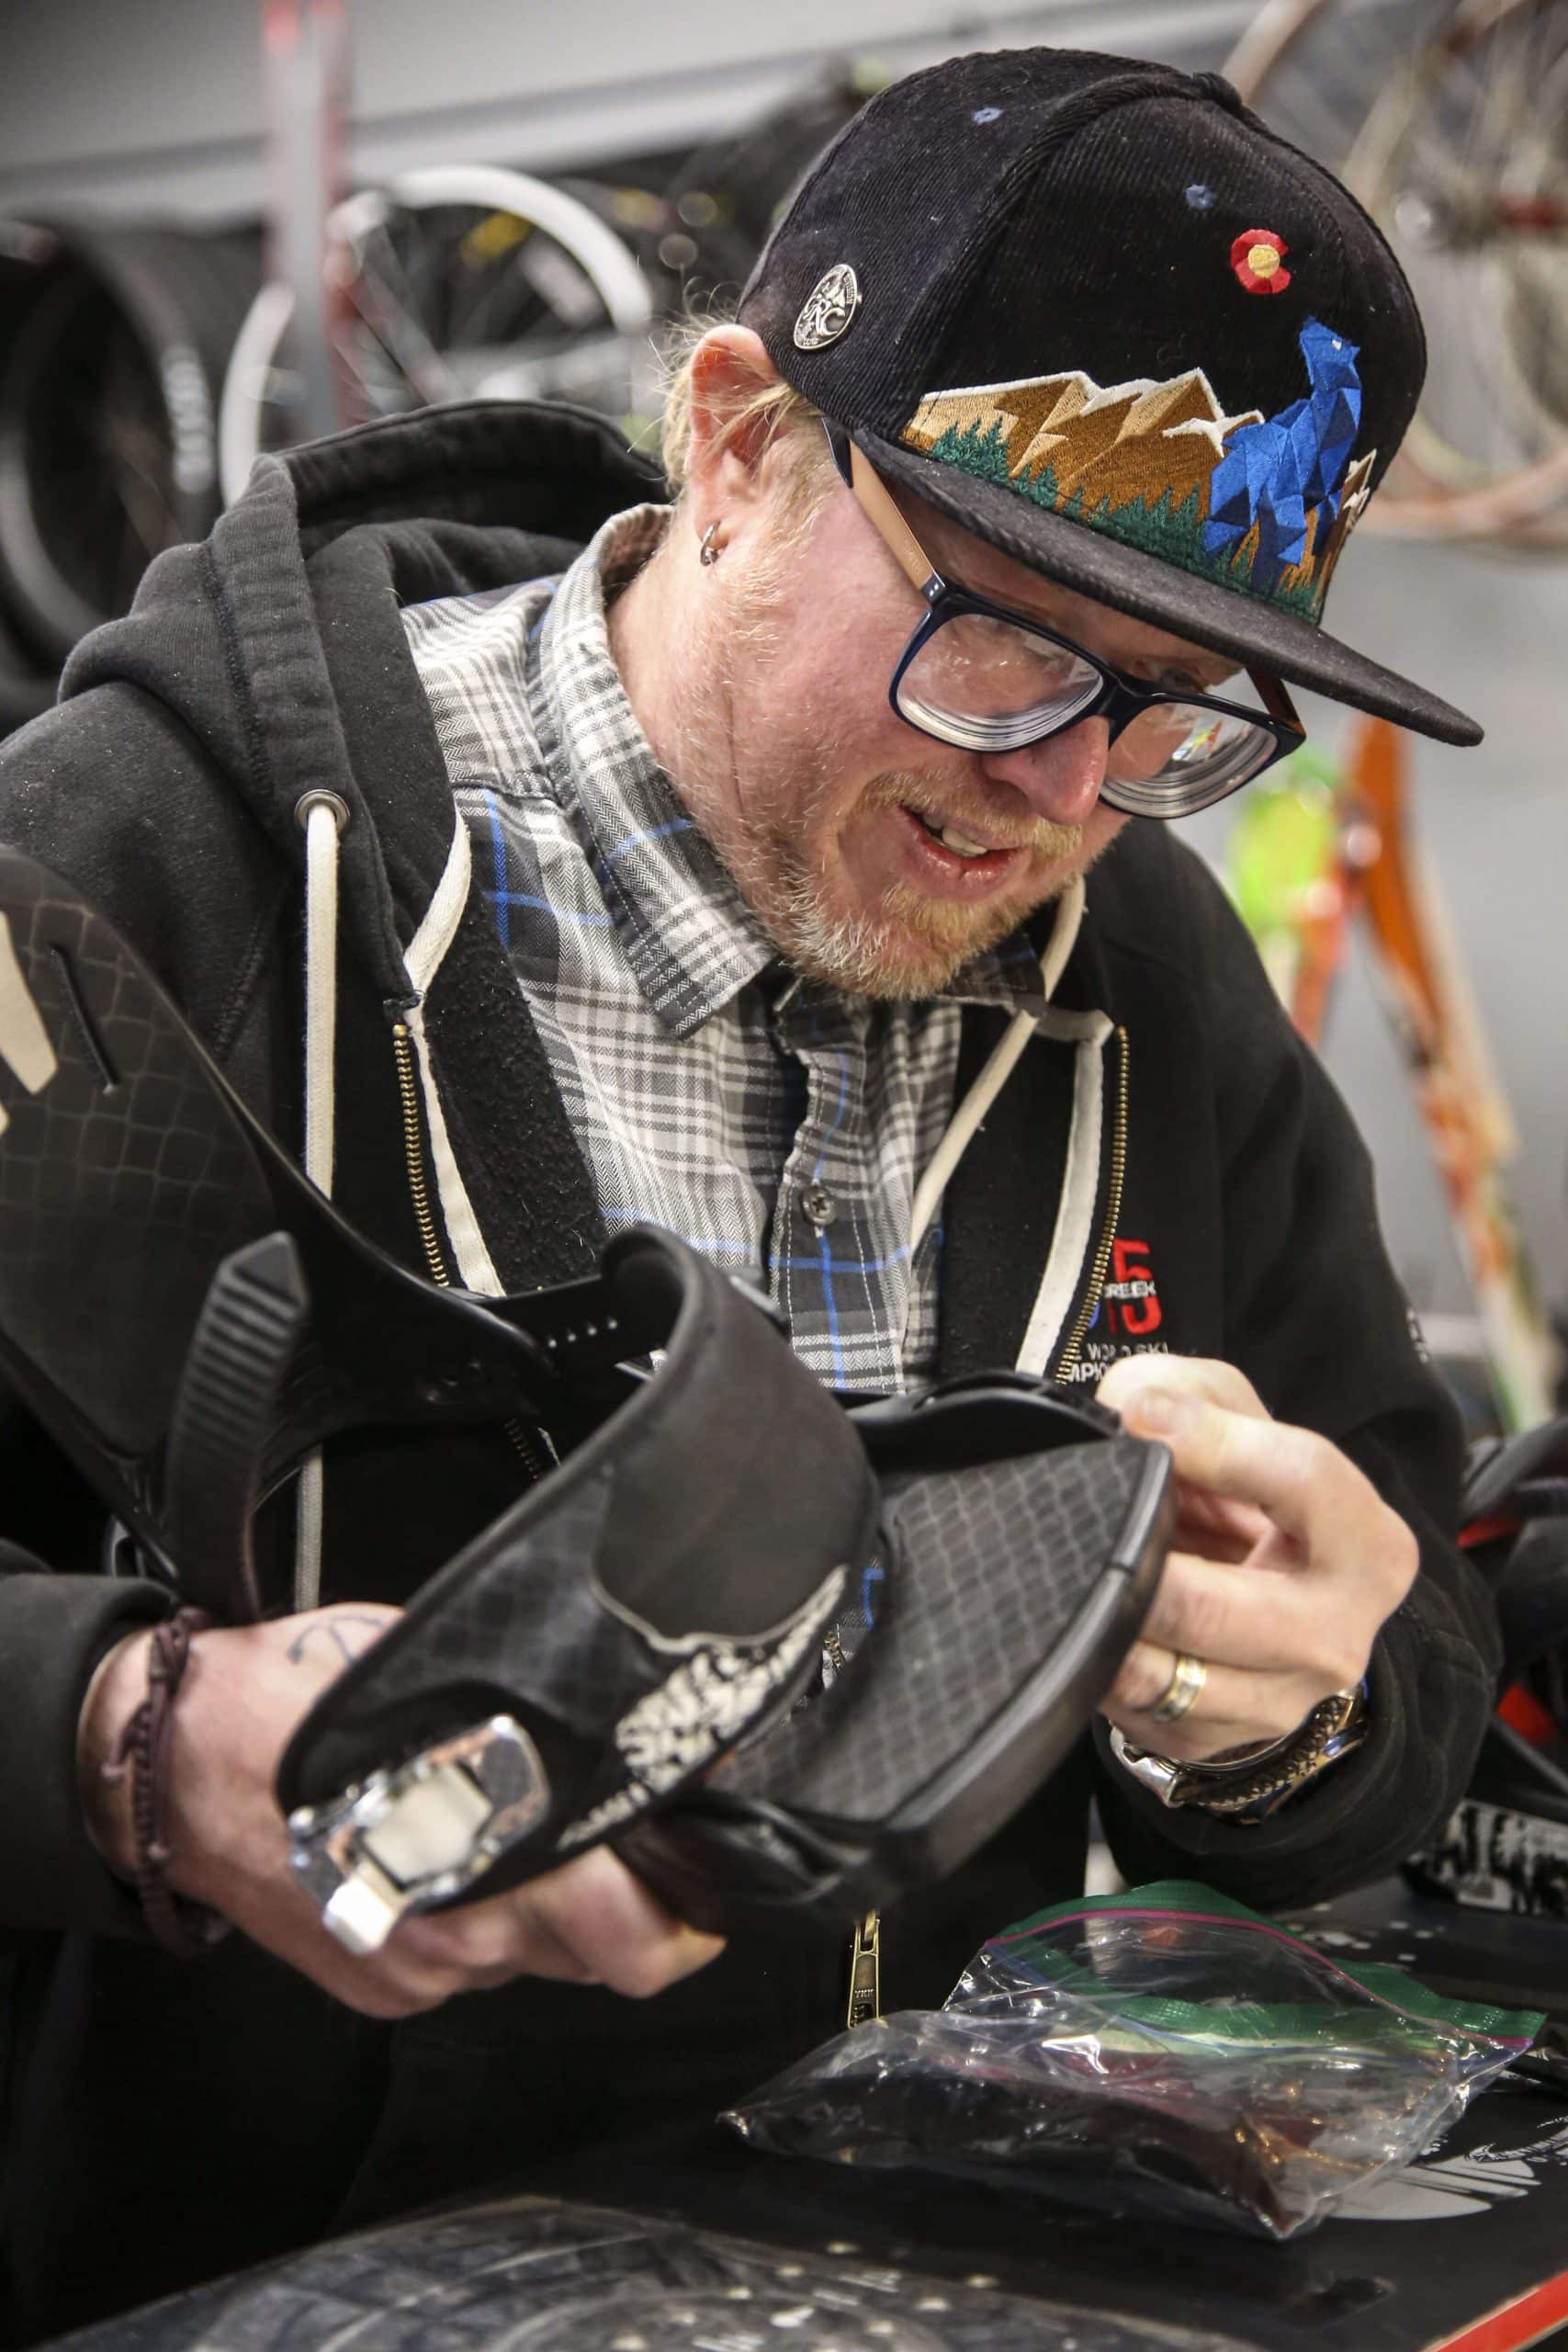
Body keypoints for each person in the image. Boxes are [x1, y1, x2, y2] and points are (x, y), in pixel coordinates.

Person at [0, 43, 1500, 2344]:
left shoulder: (1153, 980)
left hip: (928, 2275)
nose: (1063, 795)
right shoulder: (130, 875)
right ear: (730, 440)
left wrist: (1300, 1701)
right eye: (1003, 634)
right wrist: (132, 1740)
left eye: (1183, 706)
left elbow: (1388, 1675)